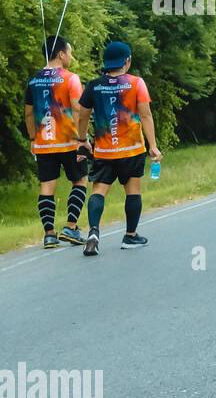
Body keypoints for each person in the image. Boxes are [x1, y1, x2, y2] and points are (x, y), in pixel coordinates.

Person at [74, 41, 163, 255]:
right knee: (133, 190)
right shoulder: (136, 83)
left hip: (104, 152)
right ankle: (130, 236)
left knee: (98, 190)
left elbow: (83, 114)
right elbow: (145, 115)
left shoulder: (94, 85)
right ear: (127, 61)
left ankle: (94, 232)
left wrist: (82, 140)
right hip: (132, 150)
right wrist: (153, 146)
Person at [23, 36, 89, 248]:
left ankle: (49, 234)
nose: (71, 56)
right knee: (80, 180)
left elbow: (29, 113)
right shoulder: (71, 79)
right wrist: (83, 139)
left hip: (43, 143)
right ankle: (71, 227)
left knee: (47, 186)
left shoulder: (33, 80)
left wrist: (33, 138)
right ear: (60, 54)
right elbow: (78, 110)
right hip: (69, 142)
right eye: (69, 52)